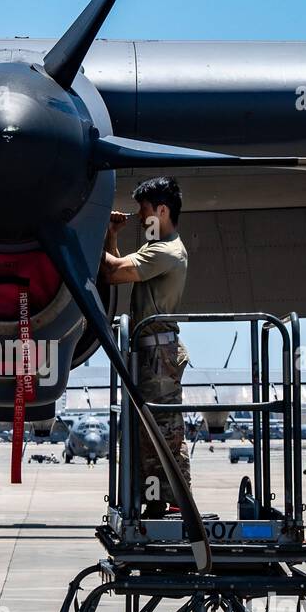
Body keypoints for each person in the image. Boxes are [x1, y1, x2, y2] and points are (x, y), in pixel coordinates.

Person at [101, 175, 190, 517]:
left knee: (165, 432)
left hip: (158, 354)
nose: (140, 217)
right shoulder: (155, 248)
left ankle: (177, 506)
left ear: (162, 210)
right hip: (150, 352)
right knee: (149, 432)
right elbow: (118, 267)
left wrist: (94, 227)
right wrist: (111, 235)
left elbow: (112, 272)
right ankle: (157, 504)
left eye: (145, 210)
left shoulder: (166, 252)